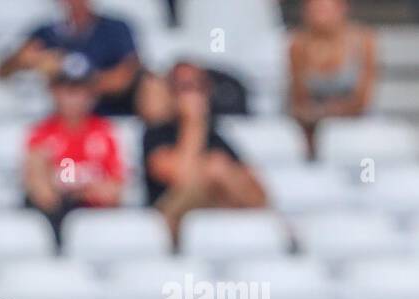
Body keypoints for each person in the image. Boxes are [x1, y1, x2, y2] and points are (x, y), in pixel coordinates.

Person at [142, 62, 268, 246]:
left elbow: (258, 196)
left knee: (218, 170)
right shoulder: (156, 133)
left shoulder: (216, 134)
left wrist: (218, 172)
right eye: (183, 86)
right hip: (172, 226)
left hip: (215, 222)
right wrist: (193, 123)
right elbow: (180, 178)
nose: (192, 94)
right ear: (170, 92)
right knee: (215, 168)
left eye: (198, 85)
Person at [23, 55, 125, 245]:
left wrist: (66, 187)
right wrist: (86, 189)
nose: (74, 99)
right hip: (55, 223)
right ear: (55, 92)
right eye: (68, 90)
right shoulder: (41, 134)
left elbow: (113, 192)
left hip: (96, 224)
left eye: (80, 91)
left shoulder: (104, 132)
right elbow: (42, 194)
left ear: (92, 95)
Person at [0, 0, 141, 116]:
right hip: (59, 123)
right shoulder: (45, 33)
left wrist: (65, 70)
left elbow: (125, 77)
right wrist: (26, 60)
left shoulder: (115, 29)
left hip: (108, 116)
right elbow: (2, 71)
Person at [289, 0, 377, 157]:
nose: (319, 15)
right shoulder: (298, 44)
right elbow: (298, 100)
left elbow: (363, 99)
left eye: (324, 9)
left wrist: (325, 113)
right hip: (310, 130)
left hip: (355, 124)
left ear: (342, 8)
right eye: (314, 9)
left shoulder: (363, 41)